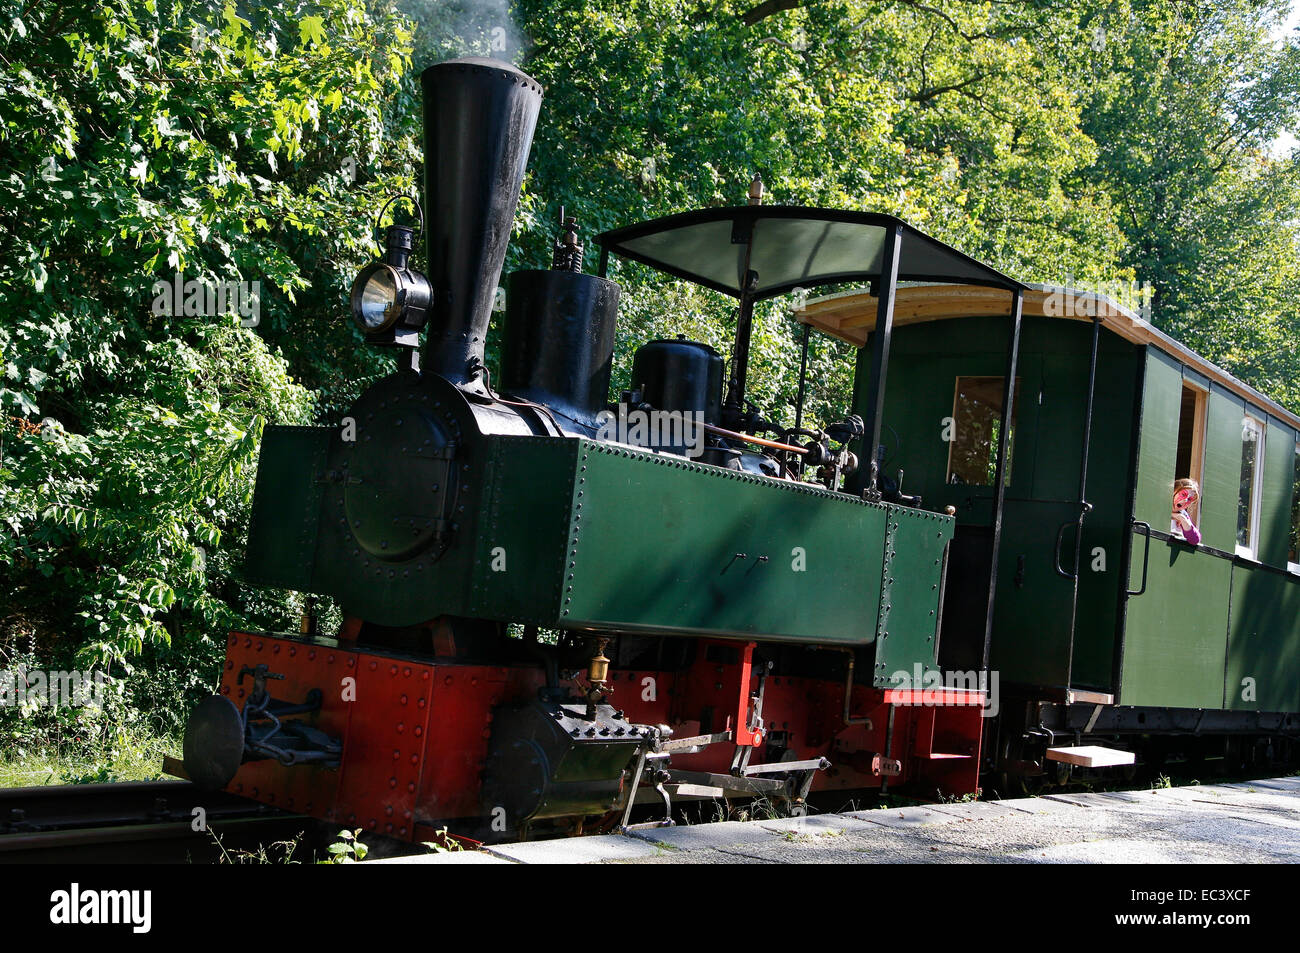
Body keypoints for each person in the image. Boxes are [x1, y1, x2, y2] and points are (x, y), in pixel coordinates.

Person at [1171, 478, 1201, 545]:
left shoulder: (1183, 514)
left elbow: (1195, 540)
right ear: (1174, 491)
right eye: (1183, 494)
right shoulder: (1161, 505)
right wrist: (1172, 515)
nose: (1185, 500)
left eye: (1189, 499)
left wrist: (1182, 518)